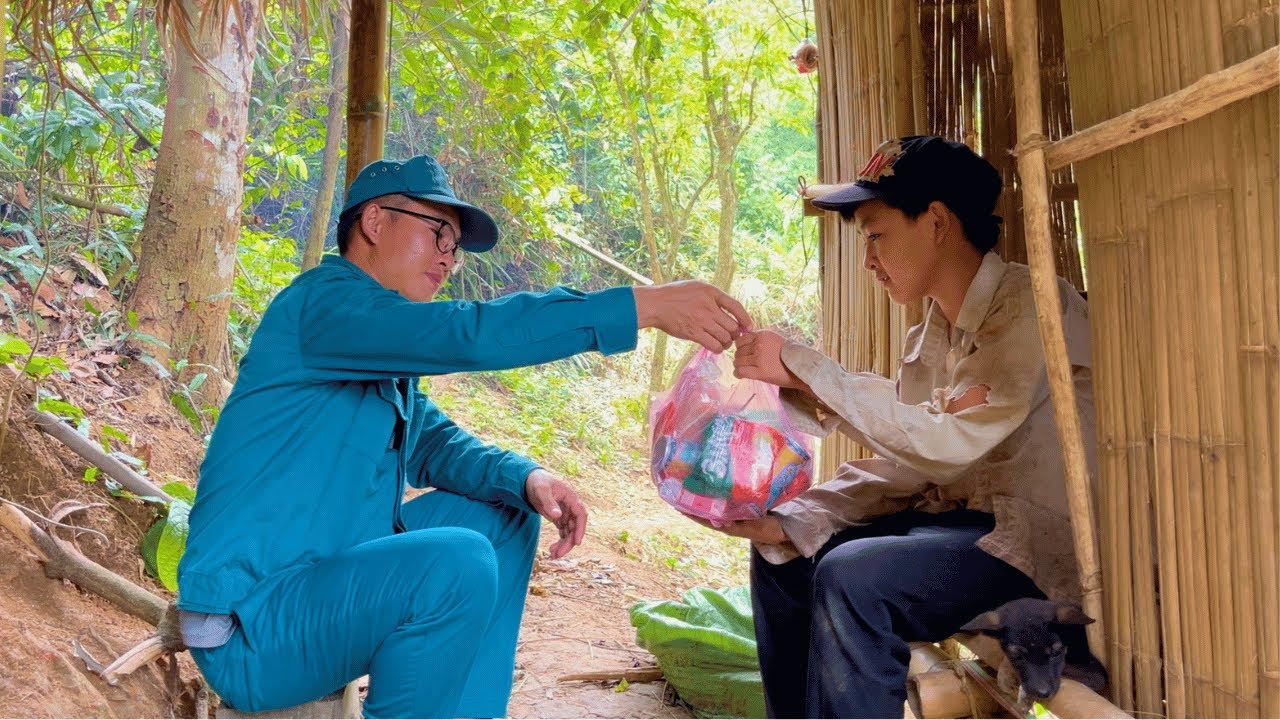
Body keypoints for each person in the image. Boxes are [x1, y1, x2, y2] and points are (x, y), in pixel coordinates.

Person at [176, 154, 752, 718]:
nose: (449, 257)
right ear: (374, 221)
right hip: (250, 625)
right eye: (439, 234)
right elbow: (468, 334)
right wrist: (641, 306)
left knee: (505, 514)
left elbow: (434, 444)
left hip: (320, 589)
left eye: (455, 246)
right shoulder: (323, 306)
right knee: (457, 562)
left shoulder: (376, 348)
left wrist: (527, 478)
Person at [714, 135, 1096, 718]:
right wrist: (797, 518)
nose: (867, 261)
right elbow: (907, 463)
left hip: (1032, 547)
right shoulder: (931, 335)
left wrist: (806, 368)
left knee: (852, 577)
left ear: (937, 222)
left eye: (875, 236)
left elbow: (945, 446)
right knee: (783, 555)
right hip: (960, 531)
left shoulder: (1032, 305)